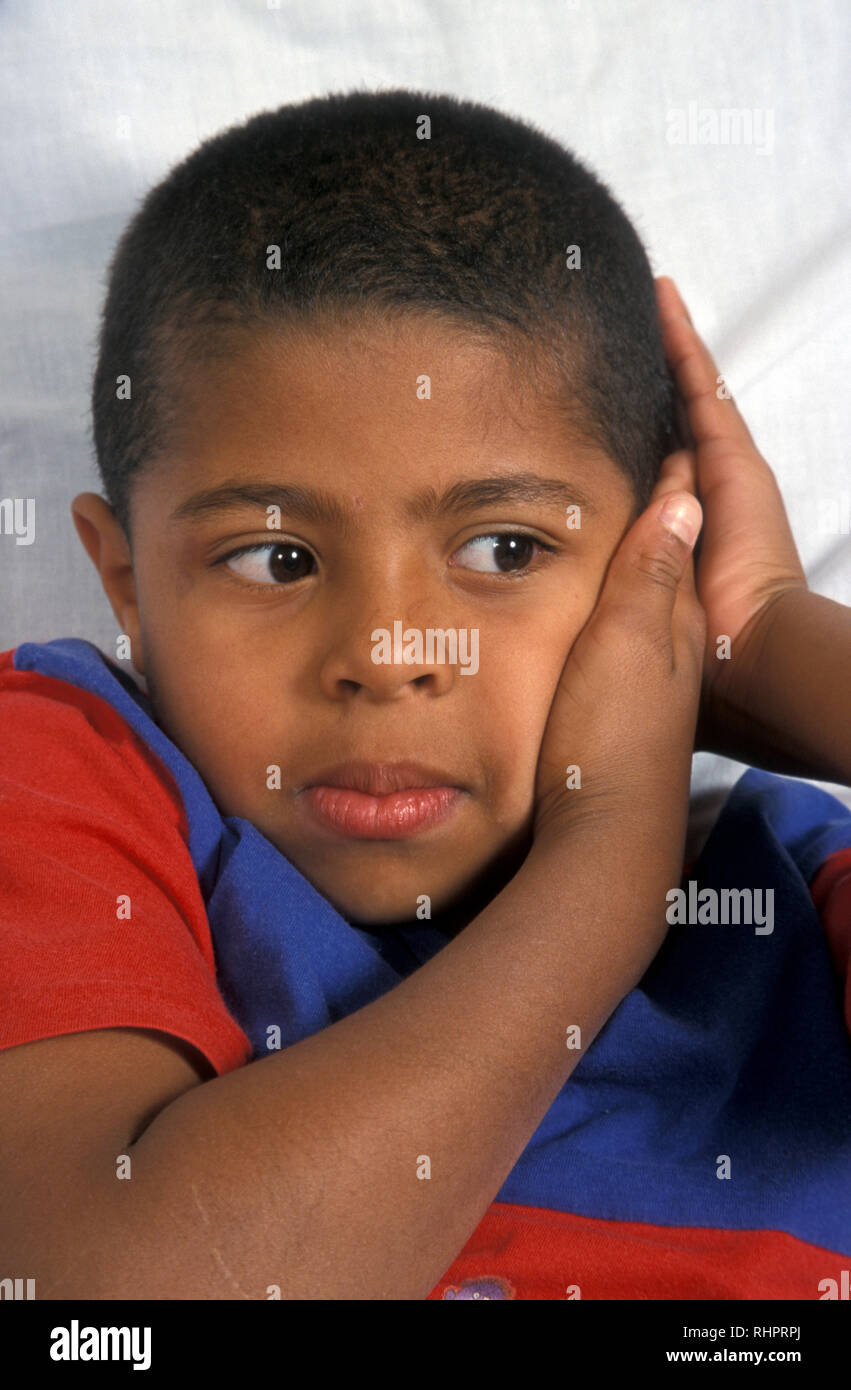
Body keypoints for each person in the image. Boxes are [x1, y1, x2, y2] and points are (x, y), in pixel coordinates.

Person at [0, 89, 848, 1301]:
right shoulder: (66, 778)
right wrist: (604, 874)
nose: (389, 650)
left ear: (652, 559)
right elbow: (109, 1311)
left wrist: (764, 632)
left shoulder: (789, 900)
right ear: (127, 585)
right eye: (273, 558)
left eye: (504, 550)